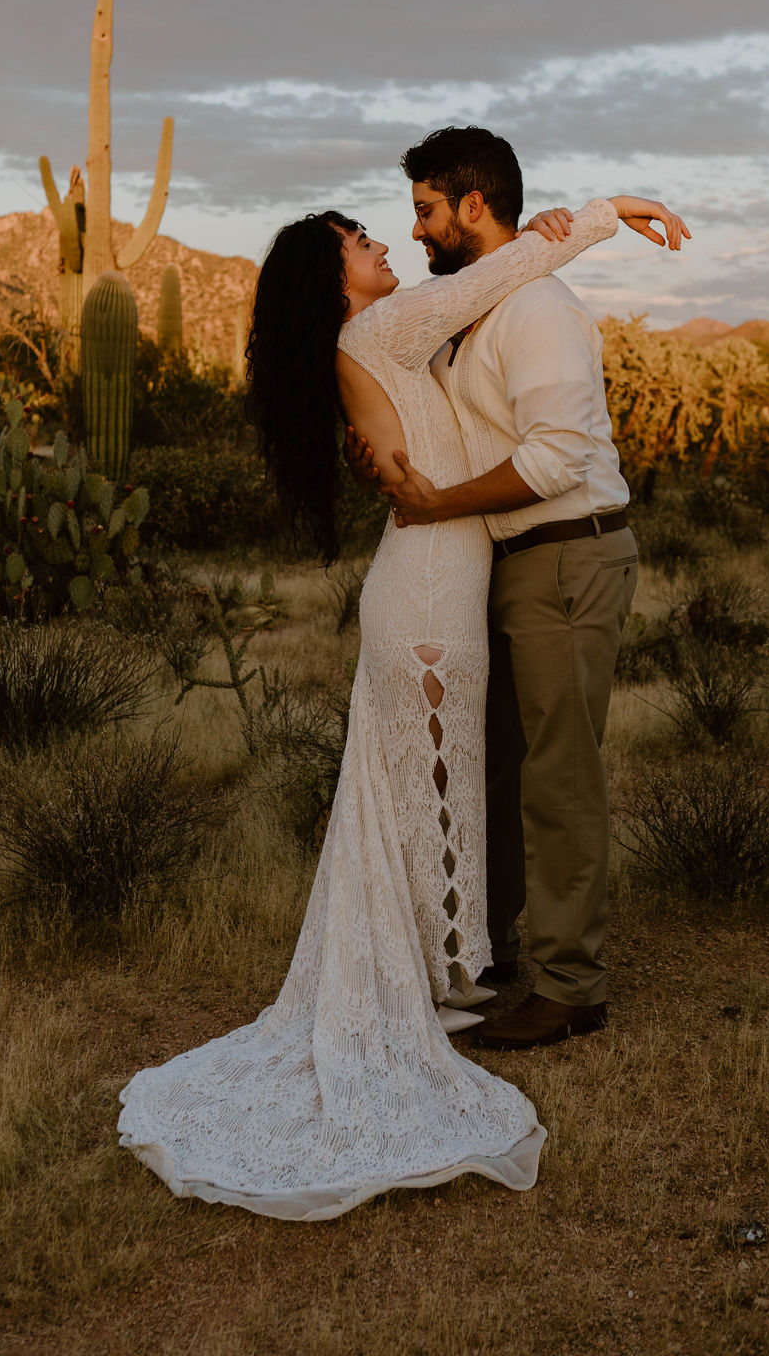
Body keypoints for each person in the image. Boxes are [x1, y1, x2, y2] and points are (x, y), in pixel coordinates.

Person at [118, 187, 685, 1220]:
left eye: (390, 227)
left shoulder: (375, 335)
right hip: (430, 579)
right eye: (360, 240)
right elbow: (498, 272)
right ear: (332, 277)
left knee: (422, 780)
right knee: (434, 778)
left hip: (431, 571)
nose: (383, 242)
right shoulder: (381, 326)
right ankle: (448, 973)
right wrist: (600, 213)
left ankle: (447, 963)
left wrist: (547, 218)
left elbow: (483, 299)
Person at [351, 126, 689, 1051]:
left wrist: (438, 505)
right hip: (503, 562)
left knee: (557, 771)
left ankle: (572, 985)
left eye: (425, 210)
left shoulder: (537, 311)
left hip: (568, 554)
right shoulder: (465, 311)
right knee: (495, 761)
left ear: (472, 204)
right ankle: (492, 952)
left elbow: (558, 457)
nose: (413, 231)